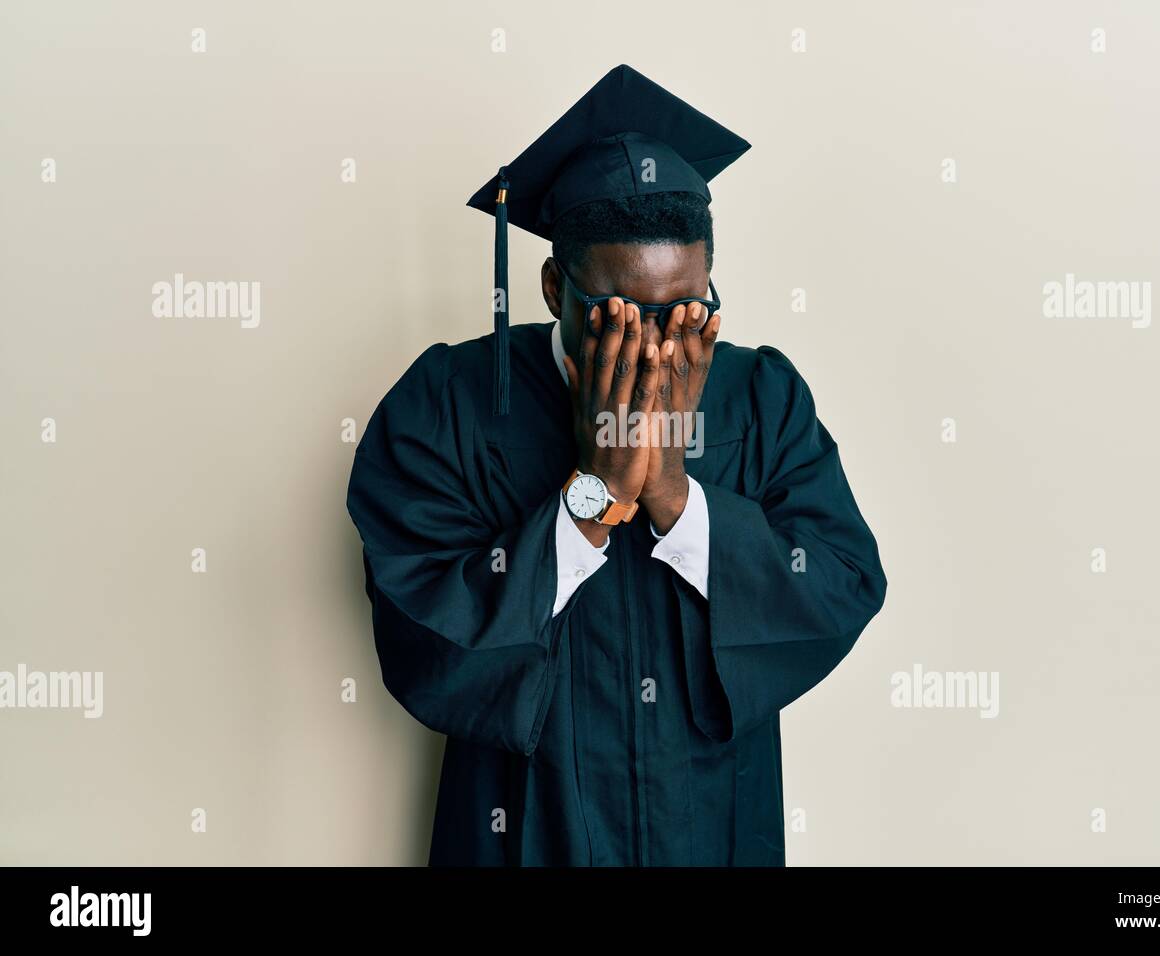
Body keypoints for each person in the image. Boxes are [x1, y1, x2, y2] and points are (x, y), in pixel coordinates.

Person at [345, 64, 887, 866]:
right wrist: (590, 497)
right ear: (554, 286)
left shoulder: (760, 397)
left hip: (710, 818)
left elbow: (839, 587)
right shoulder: (450, 402)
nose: (657, 342)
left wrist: (673, 493)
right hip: (524, 823)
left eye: (685, 309)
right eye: (619, 313)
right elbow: (423, 638)